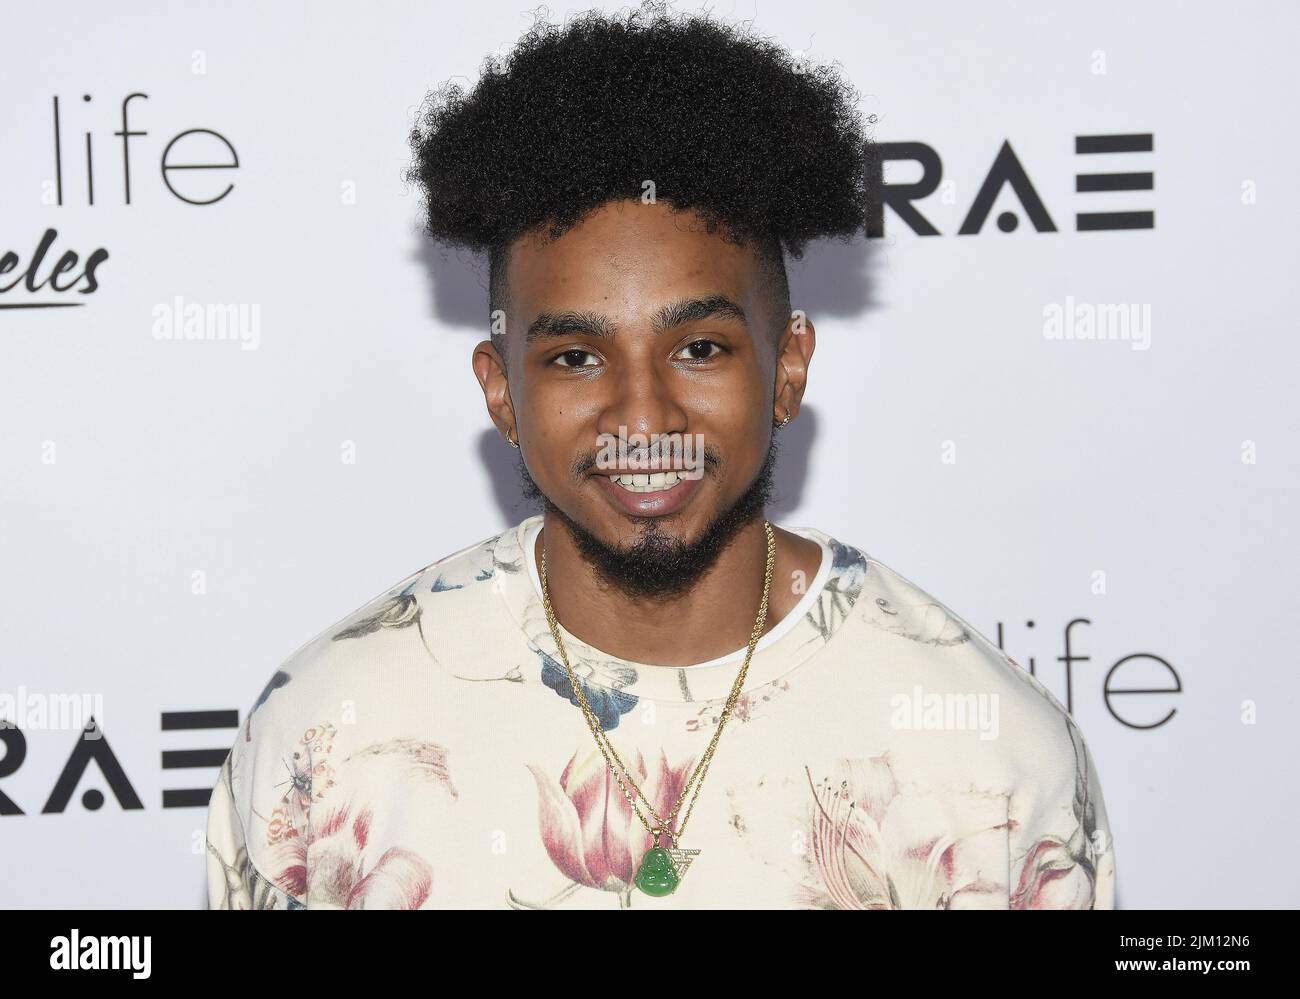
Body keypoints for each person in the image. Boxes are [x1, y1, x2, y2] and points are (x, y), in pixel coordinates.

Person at [206, 2, 1115, 909]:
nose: (644, 417)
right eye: (575, 357)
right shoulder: (326, 742)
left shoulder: (986, 760)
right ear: (500, 394)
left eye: (700, 349)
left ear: (788, 366)